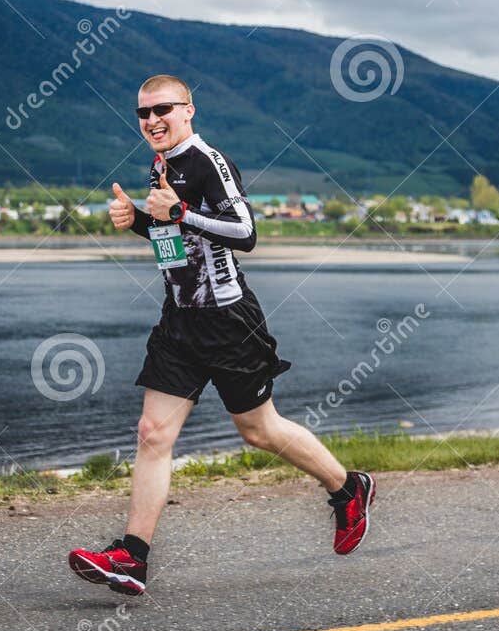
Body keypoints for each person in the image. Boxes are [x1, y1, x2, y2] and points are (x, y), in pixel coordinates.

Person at [67, 74, 374, 595]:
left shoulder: (209, 161)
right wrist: (140, 222)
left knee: (259, 431)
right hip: (179, 322)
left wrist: (179, 211)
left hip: (229, 322)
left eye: (162, 109)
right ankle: (132, 558)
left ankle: (348, 490)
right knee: (152, 434)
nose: (151, 121)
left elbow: (245, 233)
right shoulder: (161, 164)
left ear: (188, 110)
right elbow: (178, 239)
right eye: (143, 113)